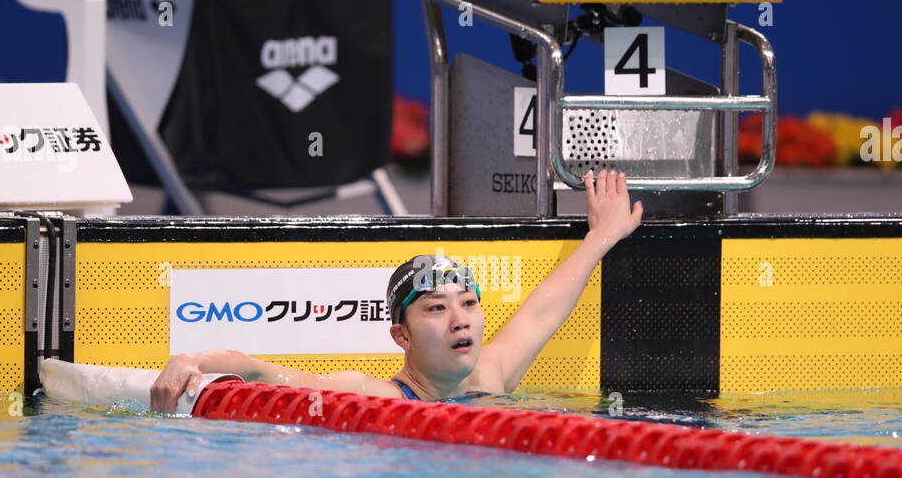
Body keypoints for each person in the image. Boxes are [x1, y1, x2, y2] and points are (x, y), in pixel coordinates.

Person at [150, 169, 642, 411]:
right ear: (400, 336)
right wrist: (194, 360)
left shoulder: (492, 371)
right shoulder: (375, 395)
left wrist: (602, 235)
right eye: (436, 308)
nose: (460, 319)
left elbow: (539, 313)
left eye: (468, 304)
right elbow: (264, 370)